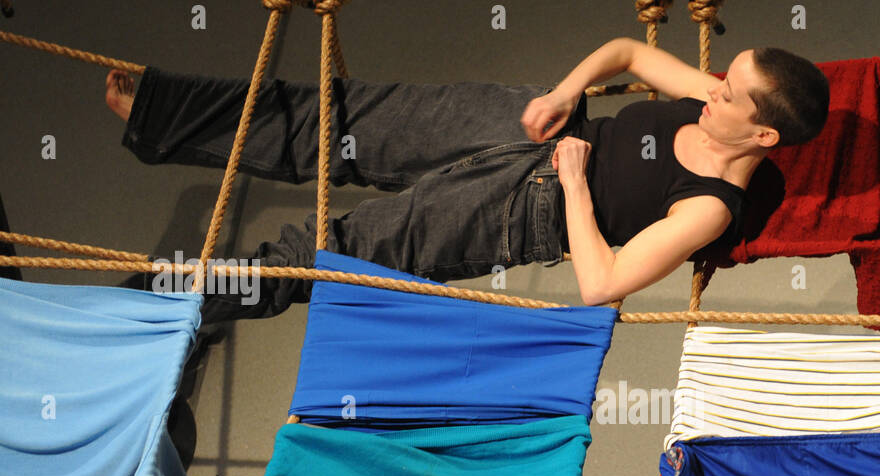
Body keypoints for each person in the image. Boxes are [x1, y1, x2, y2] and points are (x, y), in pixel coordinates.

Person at [105, 38, 828, 320]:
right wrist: (565, 91)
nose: (713, 90)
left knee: (327, 254)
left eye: (729, 93)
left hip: (524, 210)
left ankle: (158, 299)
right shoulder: (717, 99)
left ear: (762, 135)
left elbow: (601, 282)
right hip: (528, 127)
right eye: (723, 77)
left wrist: (576, 185)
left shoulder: (711, 208)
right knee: (350, 119)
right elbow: (628, 54)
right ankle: (164, 113)